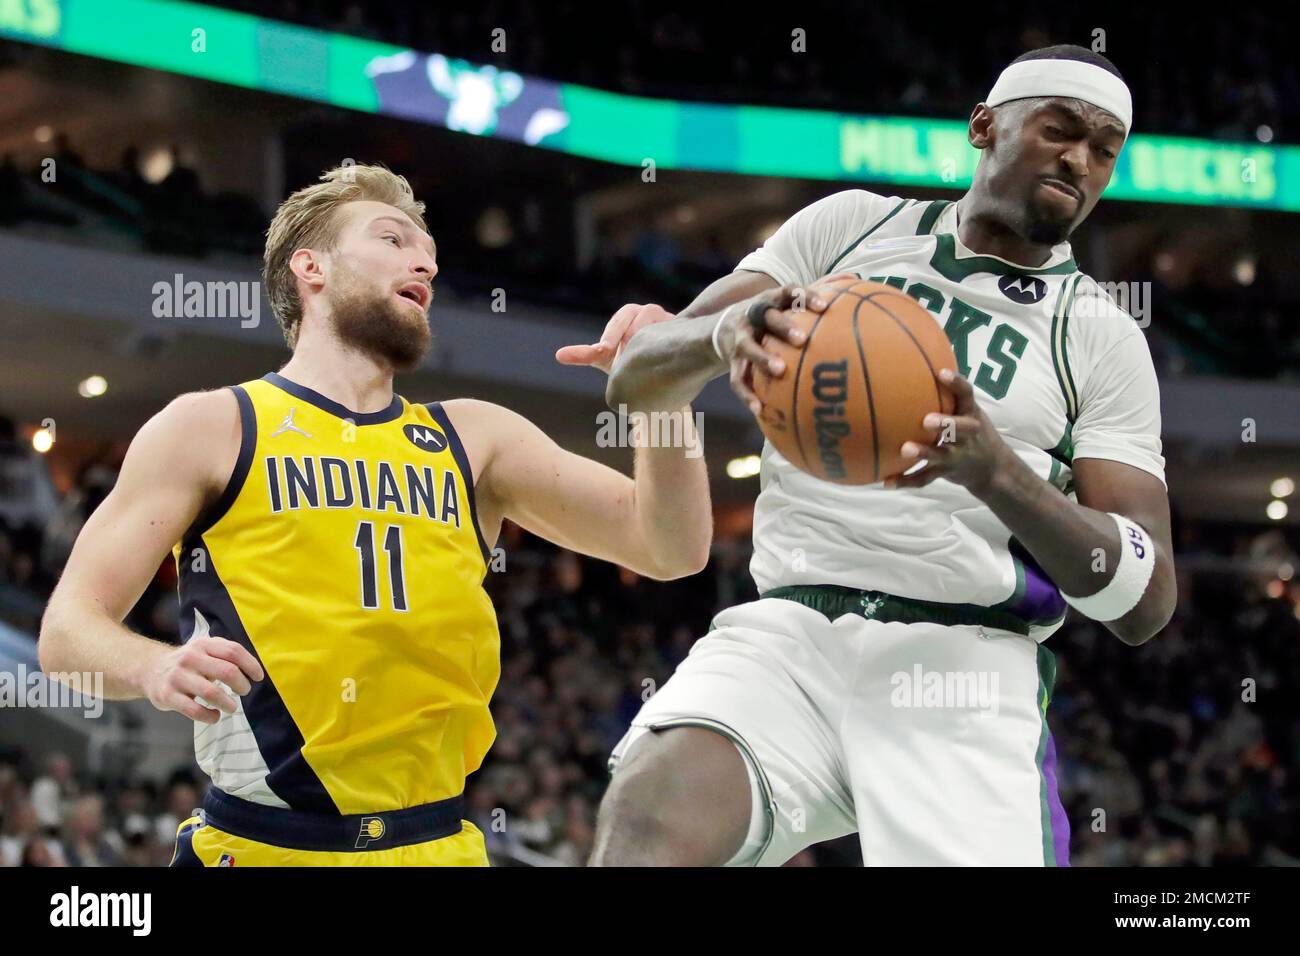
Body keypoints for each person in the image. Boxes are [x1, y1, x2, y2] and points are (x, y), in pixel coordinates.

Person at [571, 45, 1176, 866]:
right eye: (1060, 129)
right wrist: (722, 334)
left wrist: (997, 473)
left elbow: (1144, 601)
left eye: (1105, 149)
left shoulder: (1100, 335)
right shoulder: (854, 224)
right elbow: (637, 380)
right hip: (789, 631)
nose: (1080, 158)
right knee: (644, 820)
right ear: (984, 126)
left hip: (963, 661)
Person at [39, 163, 711, 866]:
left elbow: (671, 548)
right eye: (392, 239)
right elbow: (65, 633)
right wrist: (152, 668)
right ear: (311, 267)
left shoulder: (476, 437)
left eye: (428, 253)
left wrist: (663, 401)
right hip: (264, 846)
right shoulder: (213, 425)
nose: (423, 260)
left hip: (437, 846)